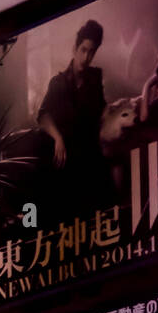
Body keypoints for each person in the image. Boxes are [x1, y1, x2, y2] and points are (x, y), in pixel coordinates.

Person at [37, 19, 108, 216]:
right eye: (83, 50)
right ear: (75, 49)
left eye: (92, 52)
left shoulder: (95, 78)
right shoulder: (58, 82)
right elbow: (42, 115)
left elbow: (102, 110)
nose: (87, 57)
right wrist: (58, 138)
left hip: (90, 153)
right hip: (66, 155)